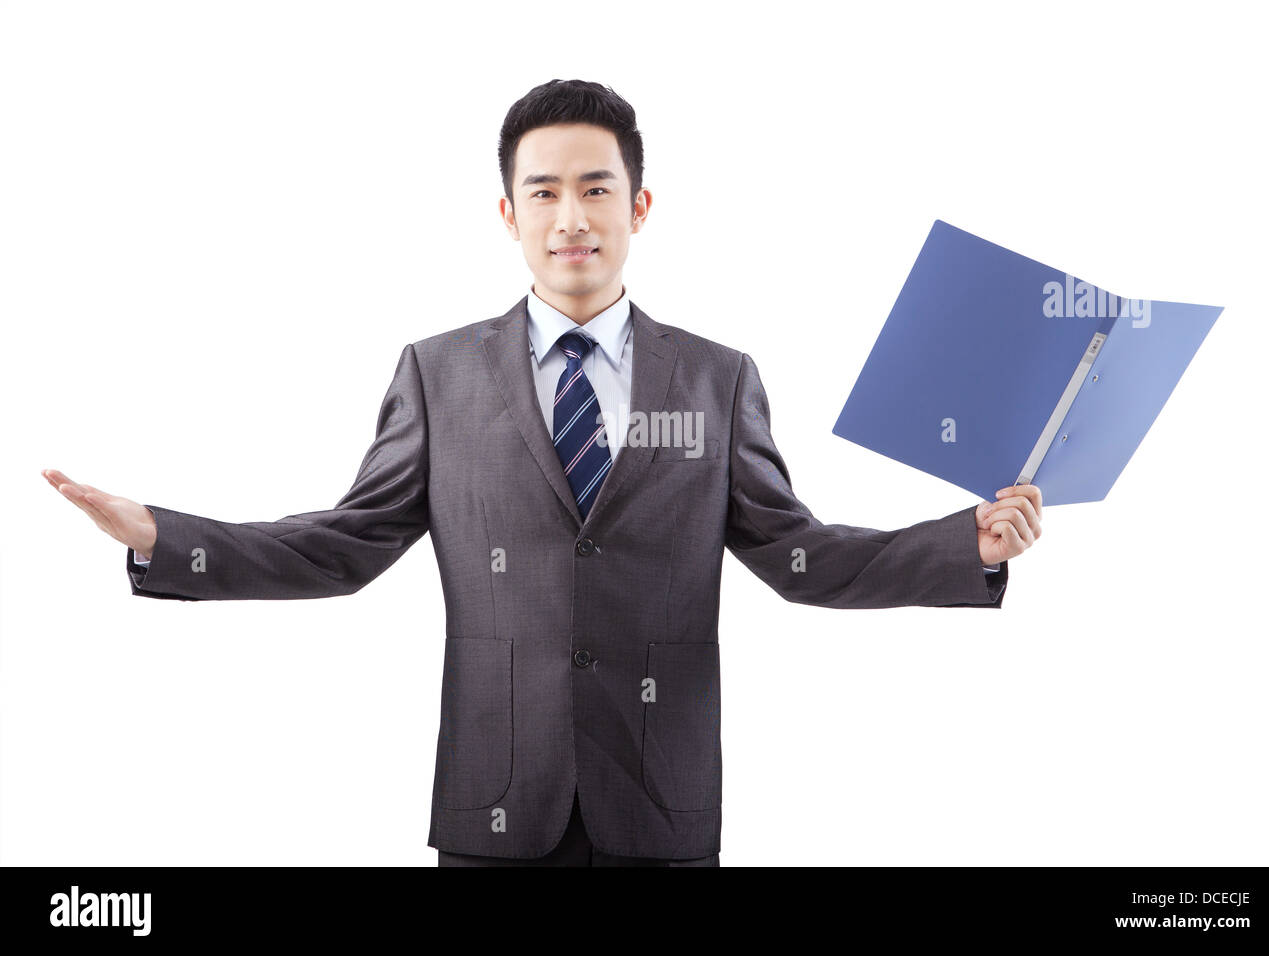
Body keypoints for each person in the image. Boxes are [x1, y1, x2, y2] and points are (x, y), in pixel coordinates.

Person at [42, 79, 1043, 866]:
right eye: (545, 191)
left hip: (661, 807)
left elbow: (801, 559)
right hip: (493, 803)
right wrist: (165, 536)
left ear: (639, 205)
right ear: (508, 212)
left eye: (595, 187)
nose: (571, 215)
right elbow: (344, 546)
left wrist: (967, 544)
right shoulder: (436, 375)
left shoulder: (715, 379)